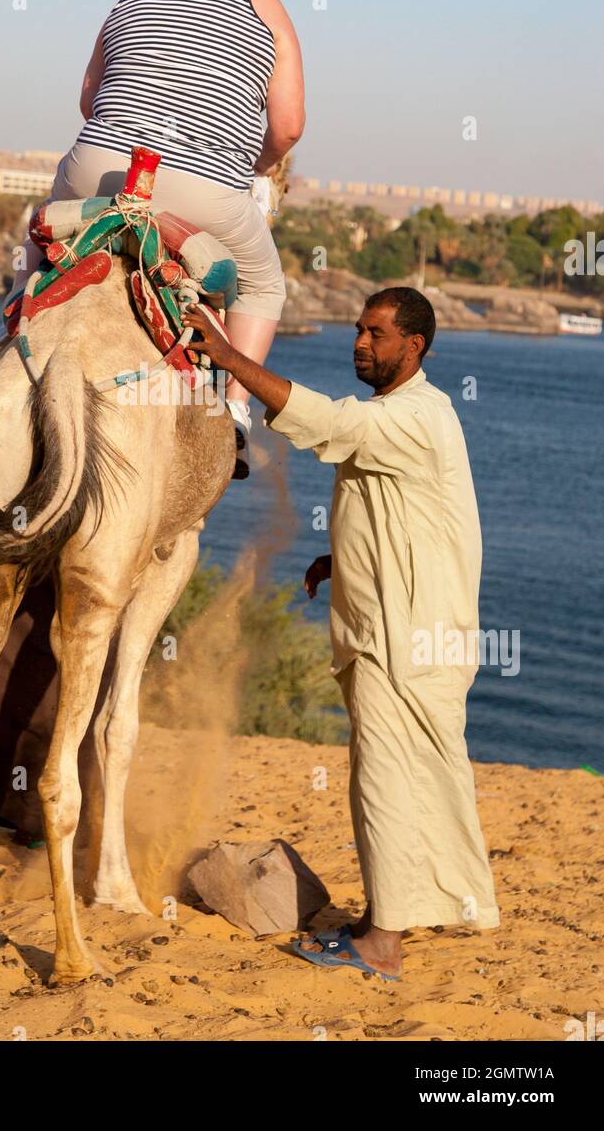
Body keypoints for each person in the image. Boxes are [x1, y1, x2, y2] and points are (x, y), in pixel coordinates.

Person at [183, 286, 500, 980]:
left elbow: (325, 423)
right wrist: (340, 557)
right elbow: (392, 503)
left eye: (376, 333)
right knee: (423, 775)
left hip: (408, 642)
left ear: (412, 347)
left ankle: (382, 943)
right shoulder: (401, 414)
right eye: (359, 329)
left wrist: (232, 357)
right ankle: (435, 903)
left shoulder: (416, 416)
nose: (360, 342)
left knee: (387, 779)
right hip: (401, 632)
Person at [9, 0, 306, 477]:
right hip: (206, 187)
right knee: (266, 285)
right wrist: (256, 167)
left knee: (40, 229)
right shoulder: (266, 5)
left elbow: (89, 96)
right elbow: (288, 127)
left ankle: (6, 341)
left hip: (101, 166)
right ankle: (236, 414)